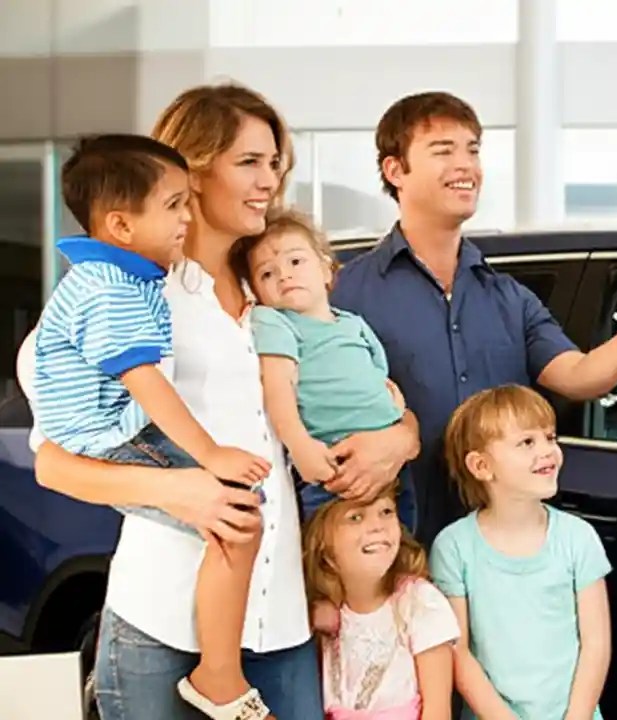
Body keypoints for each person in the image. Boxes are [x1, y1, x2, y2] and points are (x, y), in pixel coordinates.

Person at [19, 83, 417, 720]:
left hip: (281, 617)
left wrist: (402, 435)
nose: (270, 180)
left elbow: (365, 396)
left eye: (275, 163)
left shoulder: (278, 289)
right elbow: (52, 462)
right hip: (161, 621)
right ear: (193, 169)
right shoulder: (125, 296)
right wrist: (181, 491)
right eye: (250, 162)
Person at [329, 91, 617, 548]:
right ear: (395, 170)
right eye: (443, 151)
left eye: (473, 150)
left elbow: (579, 375)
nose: (466, 165)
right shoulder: (344, 292)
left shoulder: (508, 297)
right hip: (395, 551)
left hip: (500, 553)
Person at [31, 133, 274, 718]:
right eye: (173, 204)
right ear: (119, 224)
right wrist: (210, 456)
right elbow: (145, 384)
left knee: (238, 517)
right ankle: (219, 678)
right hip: (112, 440)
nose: (184, 217)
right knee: (238, 517)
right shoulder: (110, 290)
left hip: (116, 433)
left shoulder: (127, 278)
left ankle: (220, 674)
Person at [429, 384, 611, 720]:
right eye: (527, 442)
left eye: (550, 437)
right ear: (481, 466)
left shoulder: (578, 538)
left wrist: (578, 716)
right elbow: (458, 652)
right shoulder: (453, 547)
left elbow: (596, 644)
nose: (547, 451)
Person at [229, 207, 415, 525]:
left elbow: (378, 375)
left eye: (296, 261)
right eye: (267, 274)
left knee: (400, 540)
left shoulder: (354, 323)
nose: (284, 275)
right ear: (257, 292)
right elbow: (278, 390)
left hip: (390, 460)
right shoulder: (274, 321)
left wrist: (396, 407)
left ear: (326, 270)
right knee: (332, 555)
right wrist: (300, 446)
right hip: (332, 459)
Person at [302, 482, 459, 719]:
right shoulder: (324, 615)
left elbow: (437, 711)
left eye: (386, 512)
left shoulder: (419, 603)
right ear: (323, 545)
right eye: (355, 517)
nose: (377, 526)